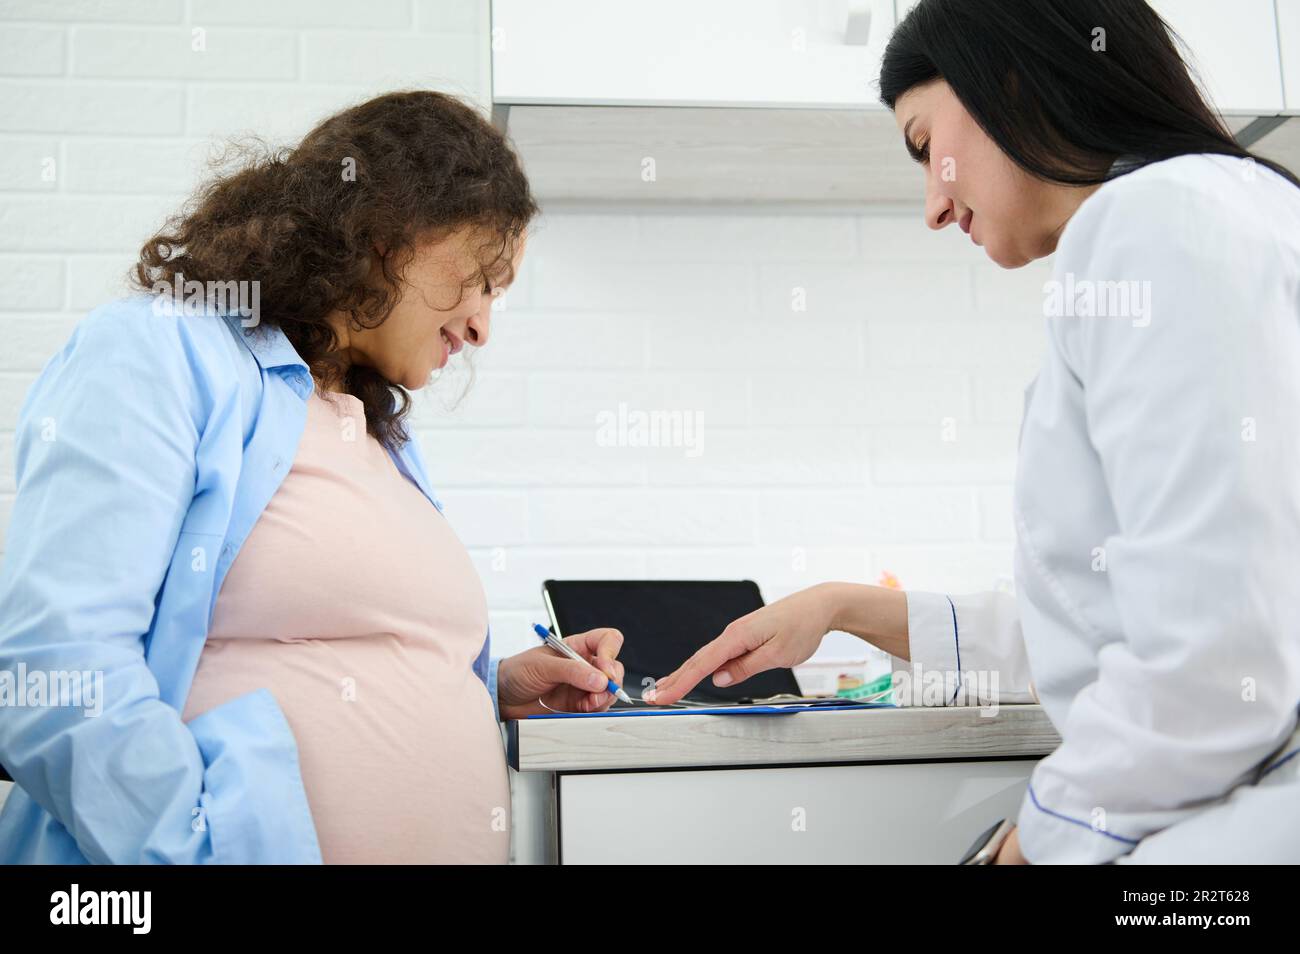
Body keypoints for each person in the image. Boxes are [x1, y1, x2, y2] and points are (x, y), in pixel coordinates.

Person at [646, 0, 1300, 864]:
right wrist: (842, 609)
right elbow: (1129, 616)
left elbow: (1215, 664)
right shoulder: (1225, 210)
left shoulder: (1152, 223)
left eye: (926, 147)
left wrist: (1038, 840)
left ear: (1012, 78)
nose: (932, 207)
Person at [0, 91, 624, 864]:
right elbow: (57, 668)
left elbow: (343, 658)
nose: (481, 325)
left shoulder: (374, 434)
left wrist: (490, 685)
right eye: (481, 278)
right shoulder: (158, 352)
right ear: (389, 232)